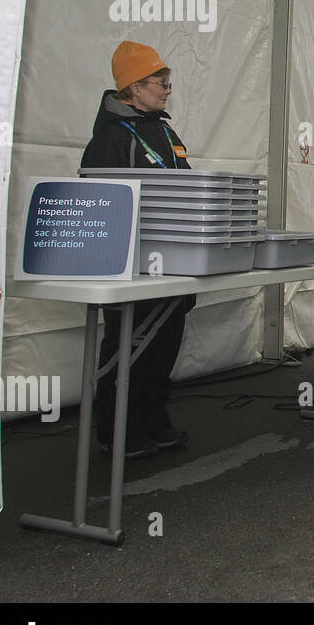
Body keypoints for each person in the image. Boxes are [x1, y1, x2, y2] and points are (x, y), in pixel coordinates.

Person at [81, 41, 194, 458]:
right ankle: (118, 431)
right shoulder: (112, 138)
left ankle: (152, 419)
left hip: (173, 261)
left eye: (167, 82)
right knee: (128, 343)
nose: (167, 89)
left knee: (164, 342)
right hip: (131, 264)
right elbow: (98, 203)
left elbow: (186, 184)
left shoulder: (164, 130)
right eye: (159, 82)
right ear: (133, 87)